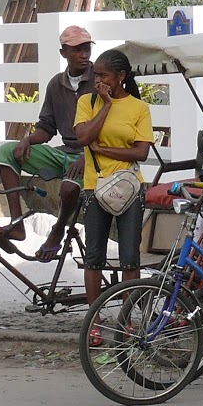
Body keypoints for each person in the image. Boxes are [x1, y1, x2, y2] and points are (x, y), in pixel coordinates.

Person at [0, 24, 94, 260]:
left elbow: (109, 127)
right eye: (77, 49)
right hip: (65, 151)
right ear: (63, 52)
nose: (84, 54)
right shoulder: (56, 84)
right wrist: (27, 139)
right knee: (7, 151)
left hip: (94, 154)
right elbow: (46, 128)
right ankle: (16, 224)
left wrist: (89, 155)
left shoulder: (99, 80)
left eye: (87, 48)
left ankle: (57, 231)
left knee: (69, 185)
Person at [71, 49, 153, 304]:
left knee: (130, 256)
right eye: (95, 76)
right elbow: (83, 137)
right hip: (94, 186)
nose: (98, 82)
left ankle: (126, 322)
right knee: (94, 256)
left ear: (120, 76)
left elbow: (141, 151)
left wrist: (102, 148)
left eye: (104, 76)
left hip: (129, 187)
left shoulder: (139, 108)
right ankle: (94, 321)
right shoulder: (87, 102)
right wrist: (106, 104)